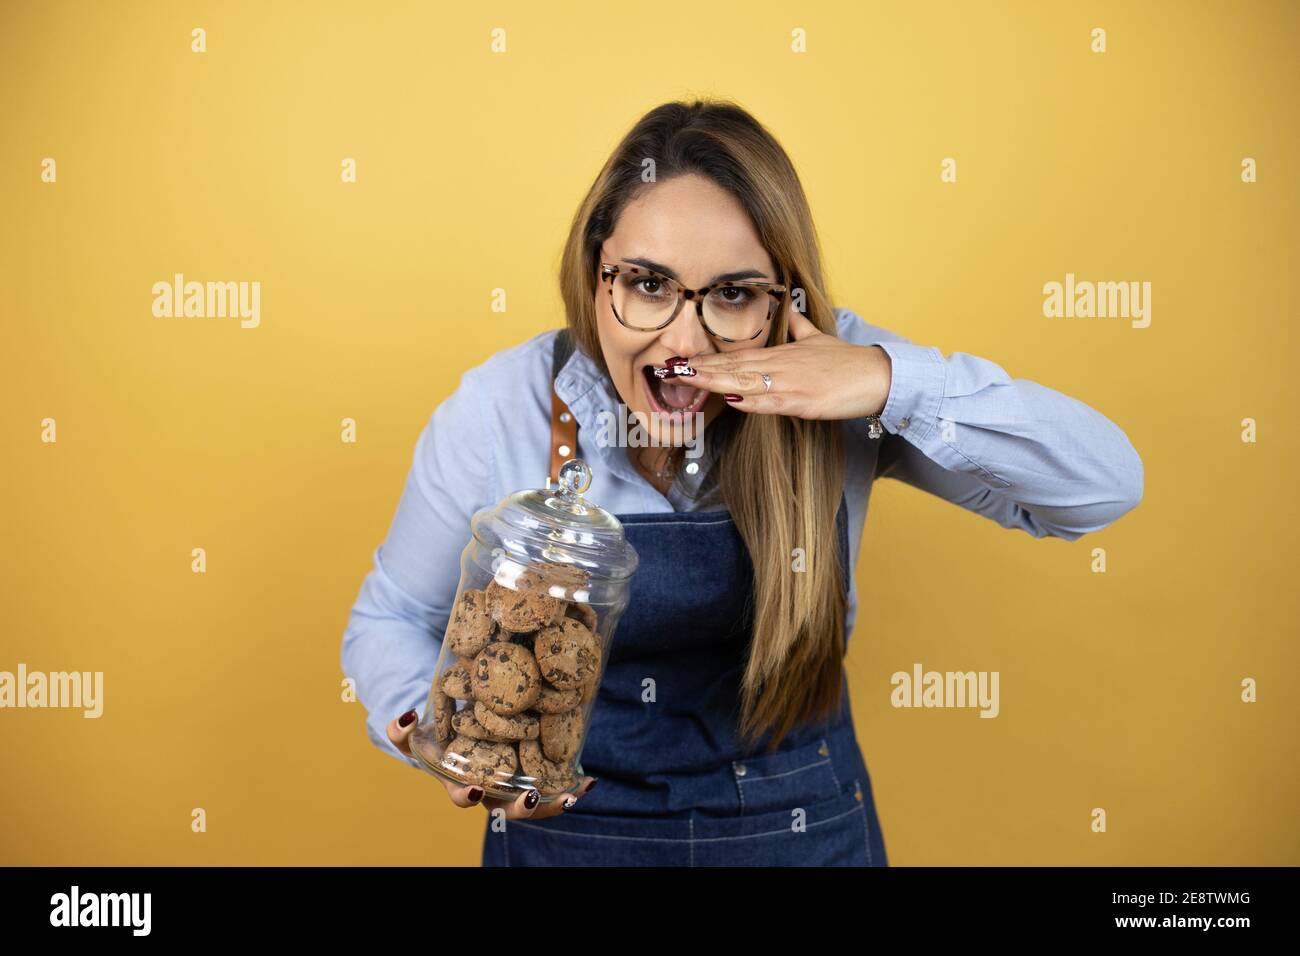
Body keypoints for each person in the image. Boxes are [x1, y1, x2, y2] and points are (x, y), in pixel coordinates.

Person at [340, 98, 1144, 866]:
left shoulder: (850, 381)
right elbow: (391, 617)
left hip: (803, 835)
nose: (685, 340)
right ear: (595, 276)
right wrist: (440, 737)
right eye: (648, 284)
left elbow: (1102, 488)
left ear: (783, 299)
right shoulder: (497, 407)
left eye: (731, 294)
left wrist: (888, 383)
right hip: (570, 843)